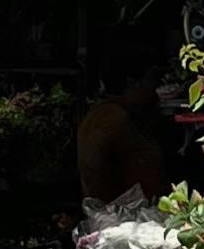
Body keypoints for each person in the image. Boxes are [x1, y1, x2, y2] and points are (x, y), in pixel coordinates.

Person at [75, 58, 175, 210]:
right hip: (126, 217)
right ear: (132, 83)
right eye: (150, 80)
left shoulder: (105, 114)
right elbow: (94, 170)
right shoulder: (113, 119)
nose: (154, 88)